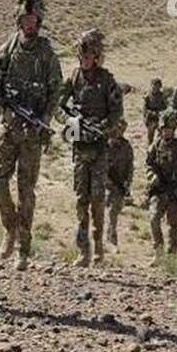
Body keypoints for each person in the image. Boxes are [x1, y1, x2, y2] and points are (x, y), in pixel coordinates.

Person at [0, 0, 62, 270]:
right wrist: (0, 108)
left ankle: (24, 248)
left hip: (32, 133)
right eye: (25, 19)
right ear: (19, 20)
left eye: (34, 20)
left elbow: (56, 89)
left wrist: (44, 118)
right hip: (8, 128)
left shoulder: (46, 52)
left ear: (39, 21)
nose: (29, 24)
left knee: (26, 193)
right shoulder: (10, 46)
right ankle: (10, 227)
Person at [56, 29, 124, 266]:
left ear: (96, 57)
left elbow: (117, 112)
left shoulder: (107, 80)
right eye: (81, 56)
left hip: (99, 148)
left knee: (97, 200)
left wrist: (103, 127)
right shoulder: (74, 78)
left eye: (88, 56)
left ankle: (98, 252)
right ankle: (83, 251)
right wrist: (70, 121)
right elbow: (57, 104)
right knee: (80, 200)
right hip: (79, 146)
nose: (83, 60)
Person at [146, 108, 177, 261]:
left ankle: (171, 257)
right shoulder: (156, 145)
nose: (167, 133)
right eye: (165, 129)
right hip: (159, 190)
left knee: (172, 226)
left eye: (170, 130)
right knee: (154, 219)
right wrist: (152, 176)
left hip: (174, 192)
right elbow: (148, 164)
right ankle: (158, 253)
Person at [105, 117, 134, 248]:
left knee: (114, 211)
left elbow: (130, 166)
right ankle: (108, 237)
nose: (120, 132)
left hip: (119, 185)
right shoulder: (106, 144)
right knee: (105, 211)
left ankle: (111, 235)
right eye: (118, 129)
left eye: (122, 129)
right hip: (106, 184)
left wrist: (128, 183)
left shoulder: (126, 147)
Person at [142, 77, 168, 146]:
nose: (155, 87)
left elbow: (165, 107)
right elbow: (145, 109)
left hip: (159, 117)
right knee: (150, 136)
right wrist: (150, 113)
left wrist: (160, 113)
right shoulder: (148, 96)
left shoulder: (162, 96)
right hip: (151, 118)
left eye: (157, 86)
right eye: (153, 85)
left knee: (161, 134)